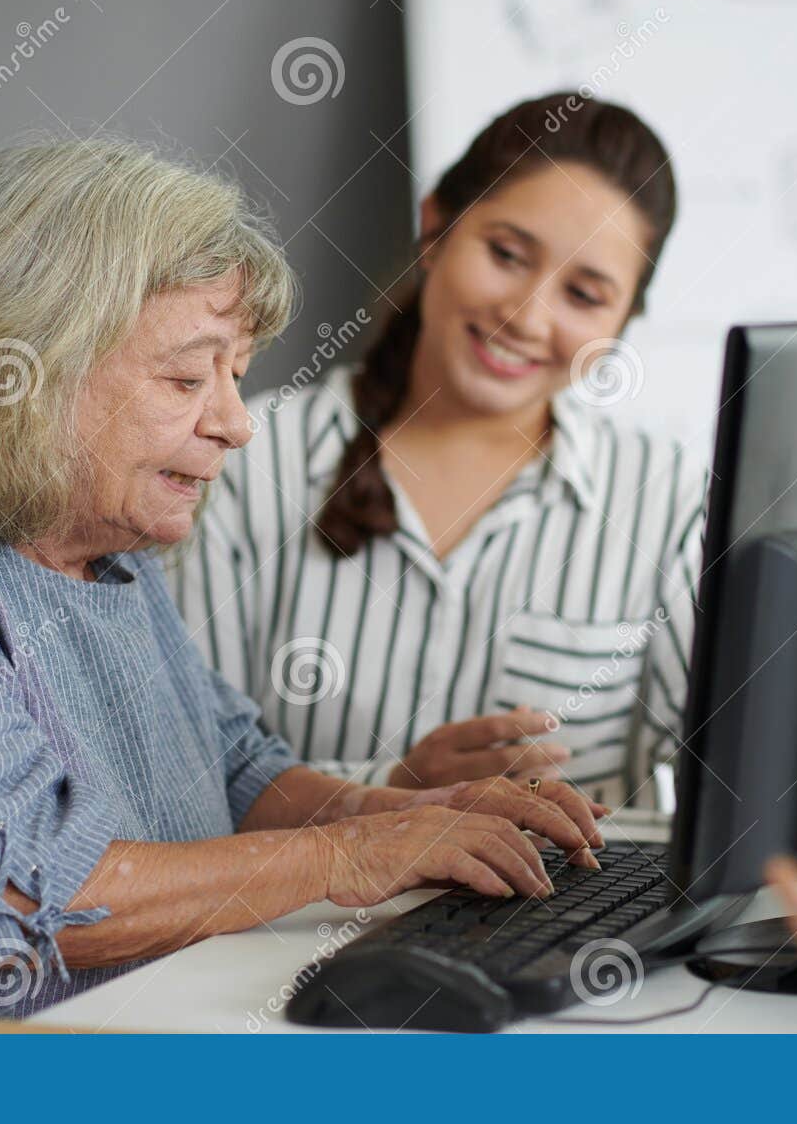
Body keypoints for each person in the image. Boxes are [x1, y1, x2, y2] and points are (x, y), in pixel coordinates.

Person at [0, 139, 606, 1034]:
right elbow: (14, 906)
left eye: (236, 377)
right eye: (188, 380)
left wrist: (419, 820)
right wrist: (347, 856)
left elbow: (234, 772)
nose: (236, 422)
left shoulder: (103, 541)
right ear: (28, 368)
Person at [180, 94, 704, 806]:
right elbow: (186, 778)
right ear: (435, 230)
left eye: (584, 295)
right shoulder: (242, 460)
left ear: (625, 321)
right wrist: (394, 796)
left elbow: (739, 770)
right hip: (289, 886)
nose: (526, 317)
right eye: (506, 255)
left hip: (566, 884)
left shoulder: (669, 501)